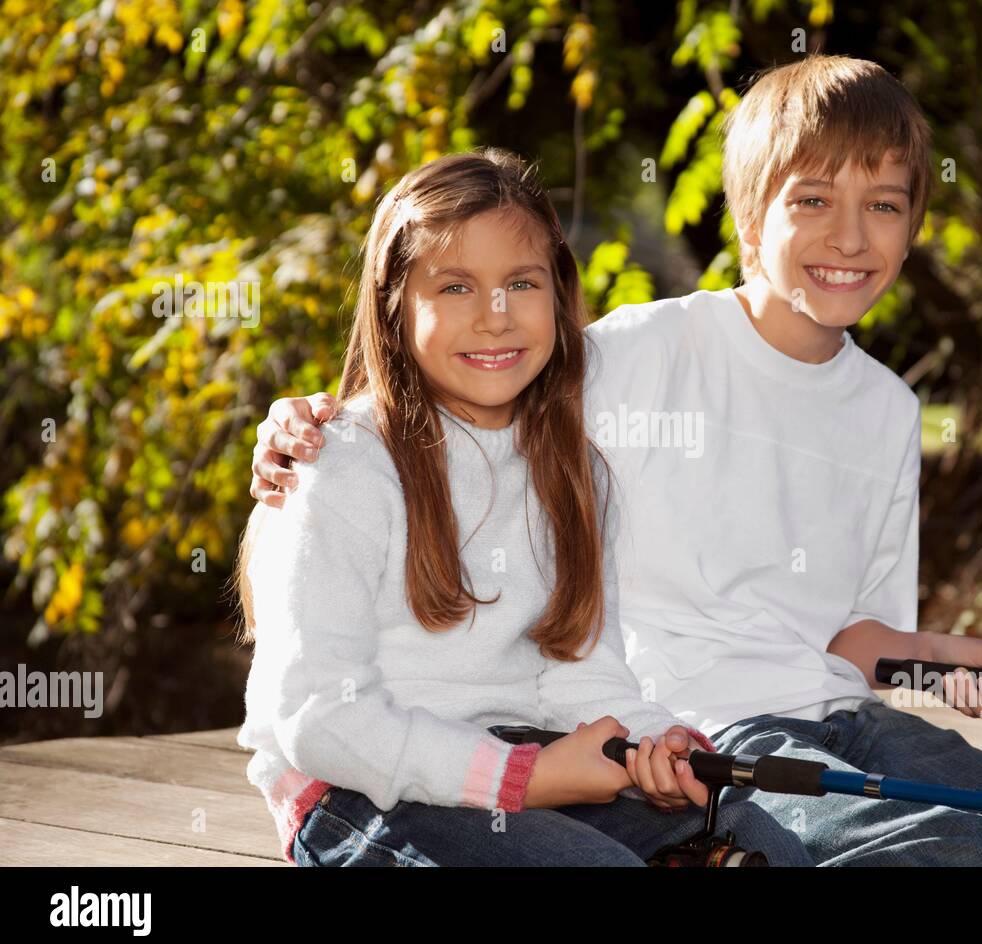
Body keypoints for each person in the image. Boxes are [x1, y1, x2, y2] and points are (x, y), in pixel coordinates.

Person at [248, 57, 982, 866]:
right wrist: (299, 427)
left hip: (788, 715)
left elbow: (845, 634)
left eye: (884, 204)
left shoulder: (885, 409)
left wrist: (941, 656)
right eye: (813, 199)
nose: (850, 236)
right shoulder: (629, 355)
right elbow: (448, 396)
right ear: (750, 217)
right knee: (931, 857)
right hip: (668, 730)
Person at [233, 148, 813, 867]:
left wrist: (656, 743)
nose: (495, 316)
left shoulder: (574, 471)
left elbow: (580, 677)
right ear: (393, 305)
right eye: (454, 287)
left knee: (767, 847)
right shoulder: (341, 464)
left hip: (525, 760)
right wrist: (525, 779)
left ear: (559, 294)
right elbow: (315, 719)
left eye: (520, 282)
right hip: (355, 787)